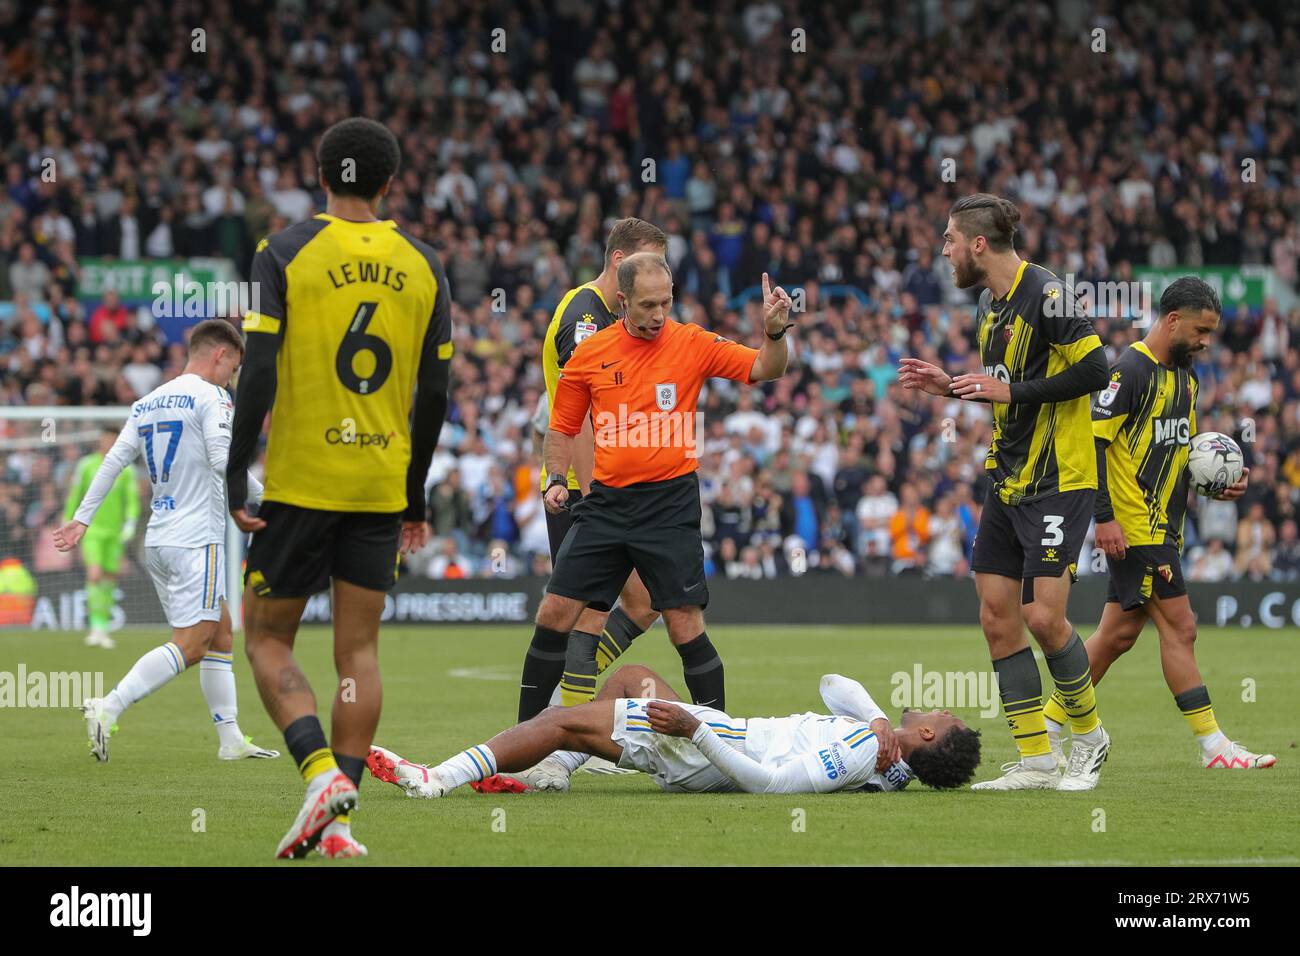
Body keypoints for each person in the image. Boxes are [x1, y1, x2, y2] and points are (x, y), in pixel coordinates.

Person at [225, 117, 453, 860]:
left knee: (264, 637)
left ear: (320, 175)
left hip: (302, 480)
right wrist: (415, 494)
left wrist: (235, 470)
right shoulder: (425, 265)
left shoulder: (284, 251)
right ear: (389, 183)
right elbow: (435, 394)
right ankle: (341, 826)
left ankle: (321, 774)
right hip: (380, 486)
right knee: (358, 653)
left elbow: (256, 369)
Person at [510, 254, 794, 793]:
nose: (660, 313)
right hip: (607, 505)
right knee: (555, 611)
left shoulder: (691, 342)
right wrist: (554, 477)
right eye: (647, 305)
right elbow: (562, 426)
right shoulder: (591, 354)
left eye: (666, 301)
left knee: (684, 625)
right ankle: (526, 743)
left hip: (669, 506)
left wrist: (776, 332)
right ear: (621, 301)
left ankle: (725, 751)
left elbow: (765, 367)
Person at [900, 193, 1112, 791]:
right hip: (1008, 478)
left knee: (1044, 618)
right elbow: (1003, 388)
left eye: (948, 240)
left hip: (1059, 479)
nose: (942, 252)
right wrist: (950, 389)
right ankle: (1038, 759)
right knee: (998, 618)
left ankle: (1090, 741)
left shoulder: (1049, 293)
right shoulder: (990, 306)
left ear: (977, 245)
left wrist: (1009, 395)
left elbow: (1098, 372)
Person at [1043, 277, 1274, 769]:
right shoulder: (1128, 370)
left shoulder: (1187, 380)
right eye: (1201, 330)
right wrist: (1103, 519)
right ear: (1173, 320)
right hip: (1135, 527)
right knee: (1182, 627)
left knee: (1115, 637)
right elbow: (1095, 444)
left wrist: (1219, 483)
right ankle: (1215, 747)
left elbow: (1179, 453)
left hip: (1164, 528)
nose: (1207, 341)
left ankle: (1045, 730)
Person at [53, 319, 279, 764]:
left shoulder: (146, 402)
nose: (231, 378)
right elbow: (223, 462)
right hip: (199, 539)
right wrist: (256, 502)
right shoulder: (213, 396)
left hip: (160, 539)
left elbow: (114, 462)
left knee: (222, 633)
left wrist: (82, 518)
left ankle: (230, 738)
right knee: (192, 642)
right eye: (233, 367)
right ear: (221, 355)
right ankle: (109, 705)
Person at [365, 664, 981, 796]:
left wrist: (693, 730)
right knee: (633, 676)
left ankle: (435, 778)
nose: (931, 709)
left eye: (941, 717)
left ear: (929, 737)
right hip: (712, 737)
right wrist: (878, 721)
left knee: (556, 721)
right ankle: (556, 774)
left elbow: (771, 787)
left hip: (706, 747)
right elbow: (830, 683)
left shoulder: (856, 754)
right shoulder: (884, 755)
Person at [526, 217, 668, 718]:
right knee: (582, 615)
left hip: (617, 488)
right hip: (583, 488)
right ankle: (558, 738)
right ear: (618, 262)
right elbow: (578, 416)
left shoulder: (624, 320)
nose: (656, 277)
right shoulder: (585, 315)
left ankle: (561, 720)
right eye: (649, 264)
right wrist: (590, 495)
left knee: (644, 603)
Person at [63, 426, 140, 649]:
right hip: (92, 532)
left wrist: (130, 523)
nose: (109, 443)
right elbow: (75, 495)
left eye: (113, 439)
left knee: (109, 578)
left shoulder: (126, 470)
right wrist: (67, 520)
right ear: (100, 441)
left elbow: (132, 500)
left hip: (114, 533)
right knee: (95, 574)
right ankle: (96, 627)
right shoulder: (86, 466)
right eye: (106, 439)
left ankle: (103, 627)